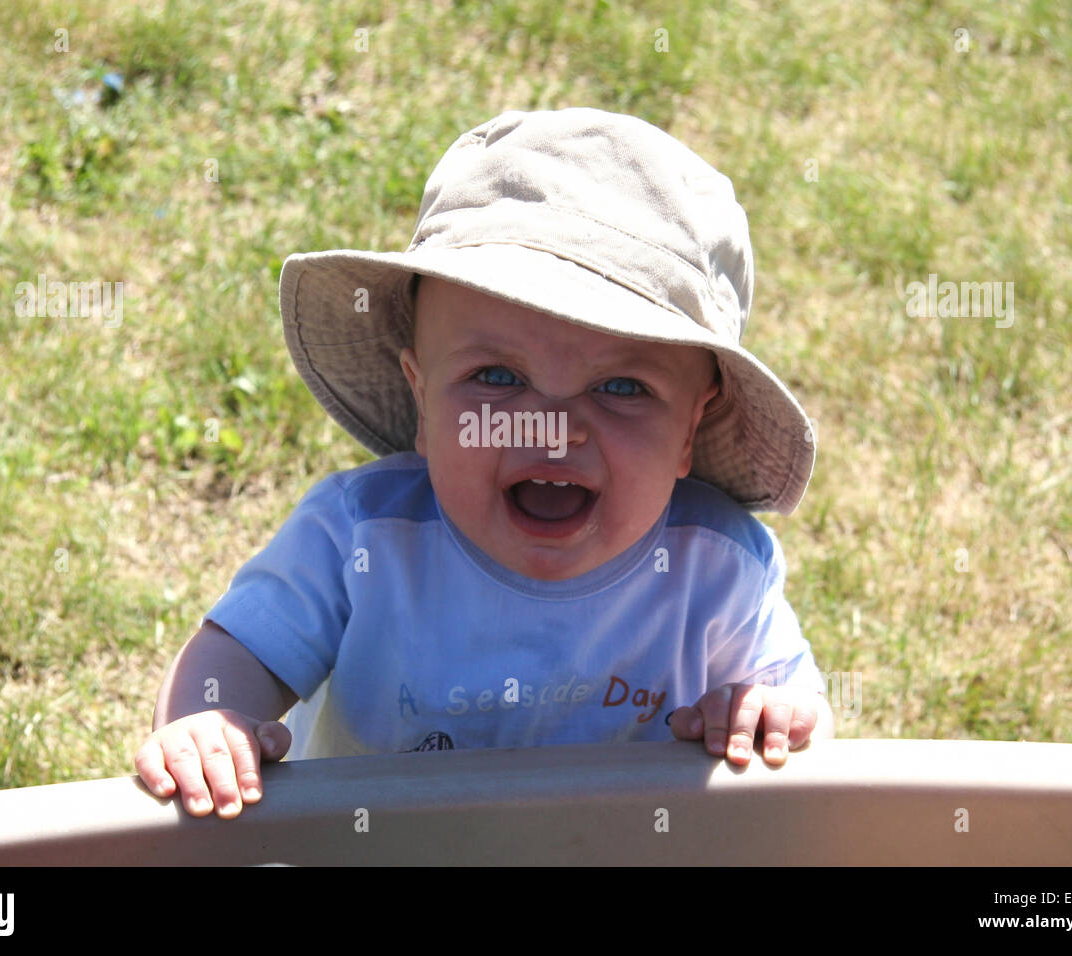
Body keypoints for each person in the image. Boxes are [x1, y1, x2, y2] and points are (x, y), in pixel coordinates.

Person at [135, 107, 834, 819]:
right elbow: (242, 650)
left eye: (622, 387)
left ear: (692, 427)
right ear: (422, 400)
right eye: (497, 378)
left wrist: (768, 715)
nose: (554, 429)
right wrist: (207, 721)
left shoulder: (716, 569)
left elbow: (796, 716)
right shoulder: (363, 537)